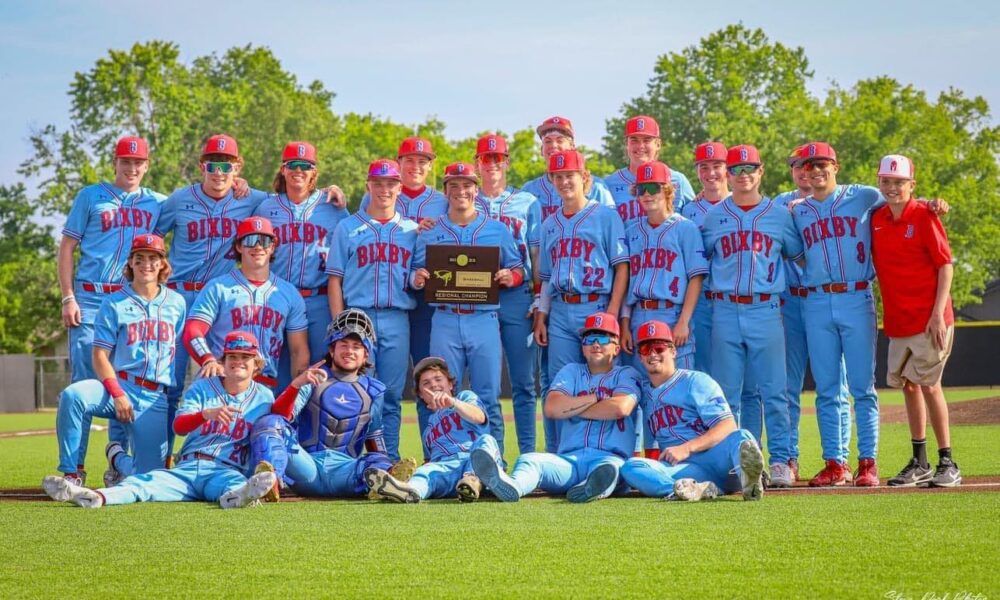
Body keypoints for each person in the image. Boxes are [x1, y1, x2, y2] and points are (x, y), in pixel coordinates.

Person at [42, 331, 281, 509]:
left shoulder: (264, 397)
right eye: (233, 356)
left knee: (235, 486)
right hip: (187, 468)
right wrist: (205, 414)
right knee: (141, 484)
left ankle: (240, 496)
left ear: (256, 365)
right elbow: (179, 426)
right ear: (223, 360)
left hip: (225, 469)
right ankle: (92, 496)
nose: (238, 362)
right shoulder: (202, 388)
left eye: (245, 358)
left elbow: (279, 423)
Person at [153, 133, 269, 471]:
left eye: (227, 165)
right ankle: (162, 458)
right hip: (177, 294)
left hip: (218, 299)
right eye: (213, 165)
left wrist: (329, 193)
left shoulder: (250, 198)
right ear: (202, 166)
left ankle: (220, 453)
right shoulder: (178, 200)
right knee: (169, 383)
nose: (219, 172)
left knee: (223, 375)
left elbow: (289, 198)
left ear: (238, 167)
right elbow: (151, 239)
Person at [57, 136, 166, 484]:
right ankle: (74, 470)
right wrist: (67, 297)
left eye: (138, 162)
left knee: (126, 382)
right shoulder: (91, 196)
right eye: (126, 161)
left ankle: (117, 462)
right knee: (85, 385)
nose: (132, 168)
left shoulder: (157, 203)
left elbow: (205, 200)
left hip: (129, 302)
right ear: (115, 163)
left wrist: (238, 184)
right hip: (89, 299)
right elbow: (67, 247)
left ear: (147, 165)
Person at [700, 145, 803, 488]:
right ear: (728, 174)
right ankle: (734, 462)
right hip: (725, 308)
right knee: (725, 395)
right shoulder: (713, 217)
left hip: (765, 307)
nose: (743, 174)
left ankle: (781, 461)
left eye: (750, 168)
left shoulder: (779, 215)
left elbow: (798, 255)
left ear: (761, 173)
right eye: (736, 168)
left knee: (775, 390)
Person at [48, 234, 185, 487]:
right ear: (130, 263)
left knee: (149, 478)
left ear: (163, 263)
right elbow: (100, 355)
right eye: (139, 258)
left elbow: (176, 353)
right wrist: (118, 393)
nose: (147, 264)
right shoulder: (114, 303)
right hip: (120, 387)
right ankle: (71, 474)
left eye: (153, 258)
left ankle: (117, 458)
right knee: (73, 395)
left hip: (155, 396)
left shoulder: (177, 303)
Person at [411, 162, 524, 458]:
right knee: (438, 395)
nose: (461, 191)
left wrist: (509, 277)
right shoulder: (430, 231)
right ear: (446, 191)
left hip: (483, 317)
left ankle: (494, 460)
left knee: (487, 395)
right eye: (454, 185)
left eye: (466, 185)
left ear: (476, 189)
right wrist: (418, 278)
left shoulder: (496, 229)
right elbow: (413, 272)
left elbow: (518, 269)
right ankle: (438, 457)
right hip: (445, 317)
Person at [471, 313, 640, 503]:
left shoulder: (626, 374)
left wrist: (573, 406)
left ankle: (589, 488)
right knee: (529, 460)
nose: (595, 344)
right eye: (589, 338)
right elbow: (552, 408)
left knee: (610, 471)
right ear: (582, 347)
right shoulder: (570, 371)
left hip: (609, 457)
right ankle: (512, 486)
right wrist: (597, 398)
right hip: (568, 461)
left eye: (602, 338)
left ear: (616, 348)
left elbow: (620, 408)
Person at [248, 309, 415, 498]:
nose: (349, 351)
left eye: (356, 346)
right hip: (306, 468)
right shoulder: (313, 376)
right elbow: (281, 415)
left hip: (344, 472)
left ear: (366, 354)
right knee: (269, 424)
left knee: (377, 460)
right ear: (331, 348)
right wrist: (296, 384)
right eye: (343, 344)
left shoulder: (374, 391)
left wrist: (385, 464)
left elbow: (375, 437)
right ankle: (270, 483)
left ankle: (384, 483)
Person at [871, 154, 961, 487]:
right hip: (899, 319)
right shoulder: (877, 217)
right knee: (908, 386)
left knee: (929, 384)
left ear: (912, 185)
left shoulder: (924, 216)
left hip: (929, 319)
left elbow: (945, 265)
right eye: (886, 181)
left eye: (899, 182)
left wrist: (938, 314)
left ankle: (948, 461)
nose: (892, 187)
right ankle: (920, 461)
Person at [534, 150, 629, 452]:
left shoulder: (606, 215)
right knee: (558, 385)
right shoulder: (549, 224)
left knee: (607, 382)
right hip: (561, 309)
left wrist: (613, 312)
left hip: (597, 305)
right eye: (558, 177)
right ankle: (558, 453)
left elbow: (621, 266)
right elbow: (547, 278)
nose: (564, 181)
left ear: (584, 177)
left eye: (569, 175)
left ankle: (612, 450)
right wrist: (541, 315)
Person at [327, 159, 419, 461]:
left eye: (390, 183)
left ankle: (387, 459)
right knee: (354, 390)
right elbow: (335, 279)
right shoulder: (348, 227)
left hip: (397, 316)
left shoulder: (412, 230)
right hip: (357, 317)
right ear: (368, 185)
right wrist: (340, 324)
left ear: (399, 188)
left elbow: (420, 275)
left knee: (390, 395)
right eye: (378, 183)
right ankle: (349, 459)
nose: (384, 189)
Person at [619, 320, 766, 501]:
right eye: (645, 349)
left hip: (718, 459)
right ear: (640, 357)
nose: (652, 354)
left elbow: (727, 426)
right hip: (684, 469)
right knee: (631, 467)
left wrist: (687, 448)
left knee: (741, 437)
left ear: (673, 351)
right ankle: (690, 489)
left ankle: (750, 481)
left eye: (659, 348)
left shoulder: (695, 381)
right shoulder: (642, 392)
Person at [771, 145, 850, 481]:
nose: (805, 171)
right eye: (798, 165)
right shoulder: (777, 205)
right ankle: (788, 459)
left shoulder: (844, 200)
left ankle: (838, 459)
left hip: (826, 300)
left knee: (833, 385)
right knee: (787, 387)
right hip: (790, 303)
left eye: (812, 165)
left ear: (829, 168)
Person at [254, 141, 349, 390]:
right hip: (276, 297)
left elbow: (354, 242)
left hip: (318, 299)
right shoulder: (266, 207)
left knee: (319, 372)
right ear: (283, 170)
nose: (299, 170)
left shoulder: (333, 207)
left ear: (314, 172)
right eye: (293, 165)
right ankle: (274, 427)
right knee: (272, 370)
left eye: (305, 166)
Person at [182, 216, 309, 392]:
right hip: (222, 381)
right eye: (250, 240)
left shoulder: (289, 293)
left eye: (264, 241)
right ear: (239, 246)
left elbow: (298, 350)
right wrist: (208, 359)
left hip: (265, 388)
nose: (257, 246)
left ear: (272, 247)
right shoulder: (218, 287)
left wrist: (296, 394)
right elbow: (192, 330)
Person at [473, 133, 542, 454]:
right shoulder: (463, 198)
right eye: (486, 159)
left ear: (507, 163)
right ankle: (487, 454)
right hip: (474, 297)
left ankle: (527, 455)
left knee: (524, 384)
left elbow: (537, 254)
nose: (492, 164)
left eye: (497, 159)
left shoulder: (527, 202)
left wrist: (537, 294)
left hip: (516, 297)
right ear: (477, 163)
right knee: (481, 386)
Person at [360, 136, 448, 369]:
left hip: (428, 291)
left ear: (430, 166)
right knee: (375, 368)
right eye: (410, 160)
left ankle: (431, 407)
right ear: (399, 162)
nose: (416, 166)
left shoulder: (443, 201)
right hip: (386, 288)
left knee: (426, 364)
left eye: (423, 161)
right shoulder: (374, 195)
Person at [366, 356, 490, 503]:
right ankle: (409, 491)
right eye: (426, 383)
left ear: (450, 384)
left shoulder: (464, 397)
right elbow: (432, 461)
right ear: (421, 394)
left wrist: (452, 402)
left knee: (486, 442)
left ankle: (473, 480)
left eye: (438, 379)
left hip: (475, 461)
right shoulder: (428, 432)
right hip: (447, 469)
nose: (433, 384)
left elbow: (479, 417)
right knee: (425, 472)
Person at [604, 115, 696, 228]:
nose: (640, 146)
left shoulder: (677, 180)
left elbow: (696, 215)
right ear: (626, 144)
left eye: (647, 140)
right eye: (634, 140)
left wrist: (704, 195)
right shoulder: (608, 184)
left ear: (658, 144)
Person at [521, 116, 614, 220]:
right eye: (547, 141)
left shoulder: (595, 186)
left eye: (560, 140)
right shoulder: (529, 190)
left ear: (572, 146)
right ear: (541, 149)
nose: (554, 145)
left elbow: (611, 223)